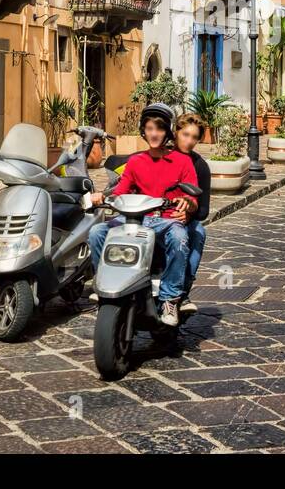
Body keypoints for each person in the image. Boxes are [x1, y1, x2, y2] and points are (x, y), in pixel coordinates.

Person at [87, 103, 197, 326]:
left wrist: (187, 203)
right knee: (97, 232)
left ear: (167, 131)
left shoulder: (183, 161)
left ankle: (169, 299)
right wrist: (102, 196)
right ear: (144, 131)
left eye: (159, 129)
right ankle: (104, 284)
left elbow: (193, 198)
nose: (154, 134)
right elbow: (120, 192)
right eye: (149, 128)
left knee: (179, 237)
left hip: (166, 220)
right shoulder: (136, 161)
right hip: (135, 219)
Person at [171, 113, 212, 315]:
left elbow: (203, 209)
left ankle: (183, 290)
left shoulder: (200, 166)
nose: (189, 141)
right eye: (185, 134)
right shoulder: (161, 155)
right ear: (176, 132)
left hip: (185, 218)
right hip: (156, 214)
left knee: (198, 233)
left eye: (194, 137)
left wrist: (188, 216)